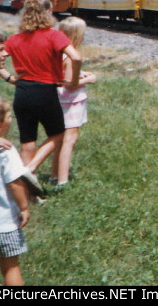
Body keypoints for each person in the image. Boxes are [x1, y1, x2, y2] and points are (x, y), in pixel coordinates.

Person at [4, 0, 81, 173]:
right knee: (58, 134)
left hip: (22, 92)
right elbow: (76, 57)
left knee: (27, 141)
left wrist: (9, 78)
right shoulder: (54, 36)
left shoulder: (14, 39)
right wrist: (74, 80)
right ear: (48, 12)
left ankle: (28, 191)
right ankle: (29, 169)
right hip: (45, 91)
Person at [0, 99, 30, 286]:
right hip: (6, 222)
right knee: (10, 267)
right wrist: (24, 207)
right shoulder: (7, 151)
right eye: (10, 116)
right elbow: (14, 183)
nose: (12, 118)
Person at [49, 17, 95, 187]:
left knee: (60, 139)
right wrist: (89, 79)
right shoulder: (71, 56)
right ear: (77, 36)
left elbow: (62, 77)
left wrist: (81, 73)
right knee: (70, 139)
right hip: (71, 102)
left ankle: (54, 175)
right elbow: (69, 83)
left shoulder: (58, 54)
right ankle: (63, 180)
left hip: (58, 99)